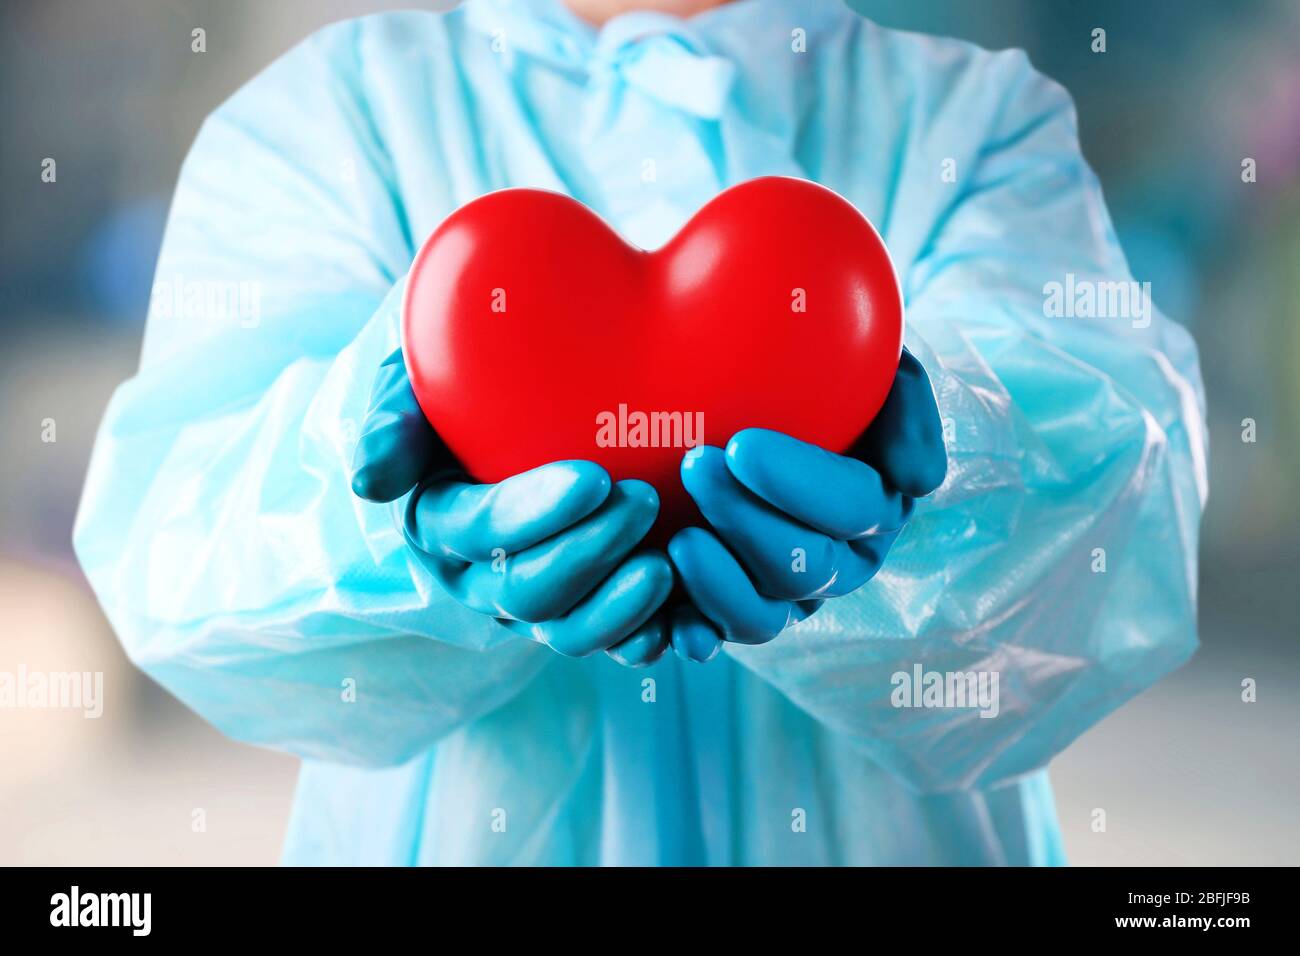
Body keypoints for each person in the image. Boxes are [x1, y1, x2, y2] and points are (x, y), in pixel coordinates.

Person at [74, 0, 1207, 865]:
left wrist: (956, 449)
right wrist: (383, 517)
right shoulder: (325, 118)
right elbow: (179, 539)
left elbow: (1125, 499)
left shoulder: (977, 118)